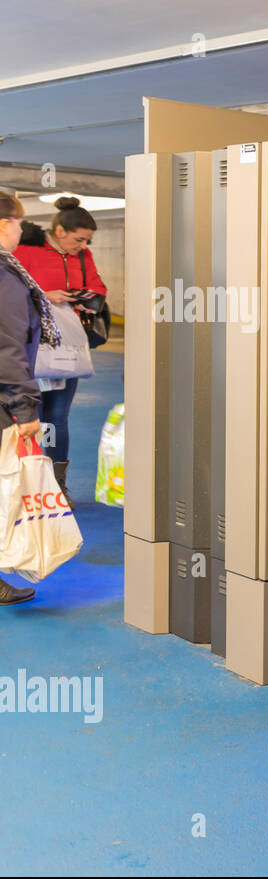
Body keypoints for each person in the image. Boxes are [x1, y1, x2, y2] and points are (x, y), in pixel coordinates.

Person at [15, 196, 106, 509]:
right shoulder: (27, 251)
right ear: (60, 231)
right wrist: (45, 295)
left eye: (87, 241)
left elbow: (98, 287)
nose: (82, 245)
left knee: (57, 417)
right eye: (78, 239)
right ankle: (27, 487)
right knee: (30, 417)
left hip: (66, 349)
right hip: (30, 347)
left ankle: (56, 487)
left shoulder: (84, 257)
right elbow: (11, 291)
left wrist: (86, 297)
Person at [1, 191, 61, 605]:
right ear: (4, 224)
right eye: (19, 222)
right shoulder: (4, 276)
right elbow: (7, 347)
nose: (22, 230)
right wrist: (25, 408)